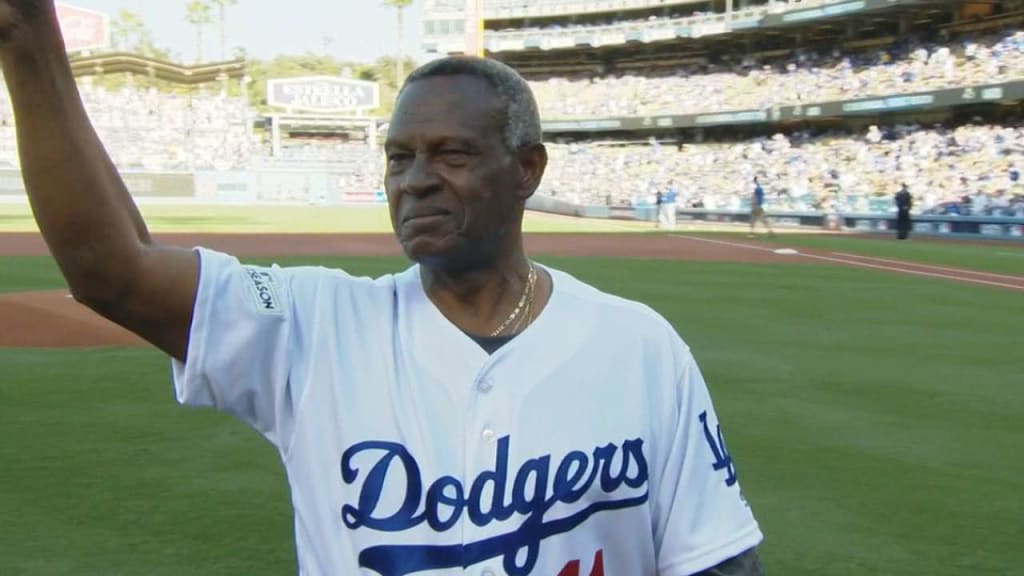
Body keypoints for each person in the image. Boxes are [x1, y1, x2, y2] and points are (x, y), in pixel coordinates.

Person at [0, 3, 764, 575]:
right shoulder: (312, 325)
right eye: (398, 159)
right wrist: (28, 42)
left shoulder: (639, 345)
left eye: (452, 154)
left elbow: (718, 556)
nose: (417, 181)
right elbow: (111, 270)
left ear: (527, 169)